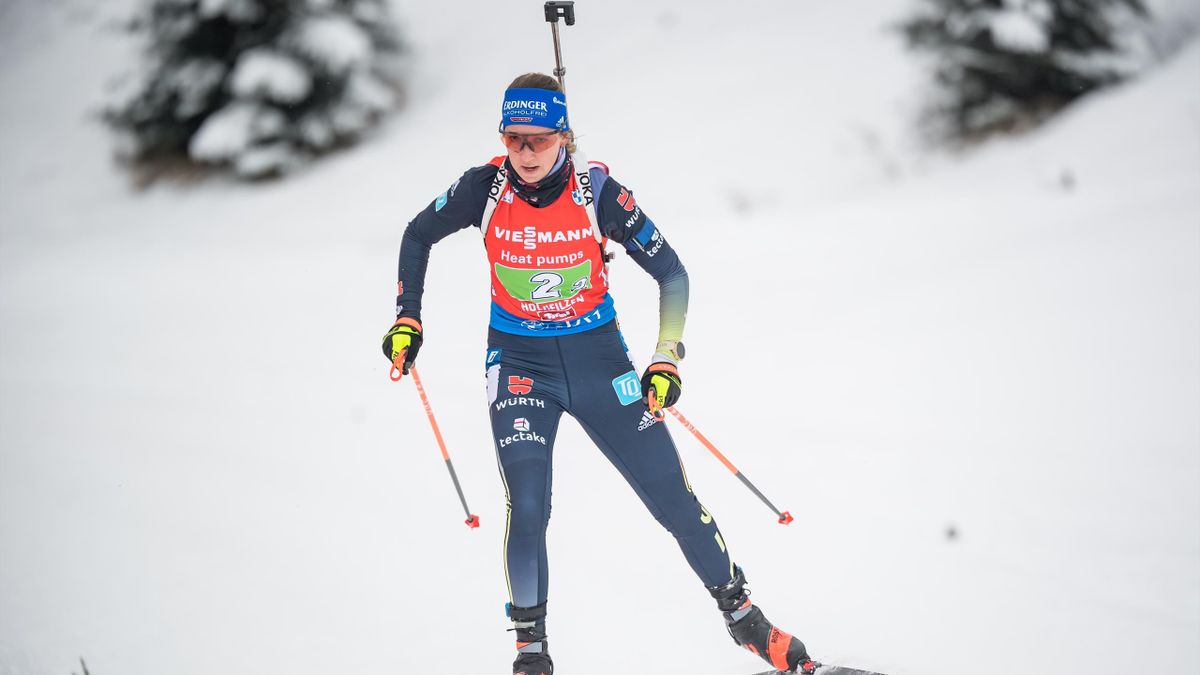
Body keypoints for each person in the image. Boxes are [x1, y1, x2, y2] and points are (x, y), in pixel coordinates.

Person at [382, 73, 818, 675]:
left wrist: (665, 356)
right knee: (528, 504)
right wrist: (409, 319)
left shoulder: (598, 194)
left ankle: (747, 622)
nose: (525, 154)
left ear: (564, 135)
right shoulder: (483, 189)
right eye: (513, 140)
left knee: (673, 497)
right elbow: (416, 233)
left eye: (538, 139)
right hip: (520, 368)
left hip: (600, 362)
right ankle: (530, 653)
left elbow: (673, 274)